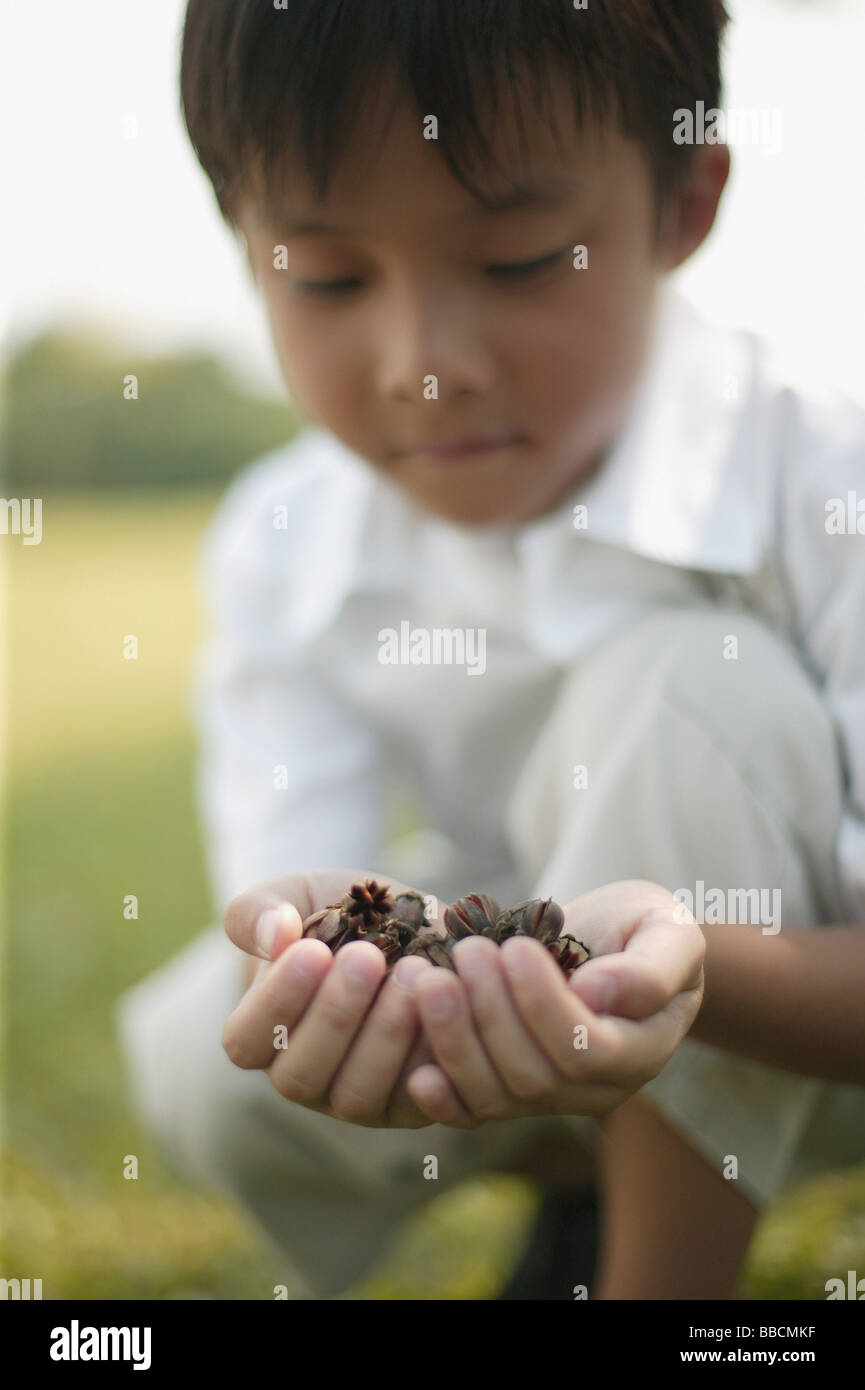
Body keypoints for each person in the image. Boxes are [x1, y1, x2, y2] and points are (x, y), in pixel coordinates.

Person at [116, 0, 865, 1301]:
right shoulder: (283, 540)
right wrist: (328, 963)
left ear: (684, 205)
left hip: (807, 1025)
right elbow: (284, 903)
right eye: (328, 277)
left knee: (685, 680)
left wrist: (673, 962)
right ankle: (593, 1171)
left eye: (520, 260)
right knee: (196, 1053)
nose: (423, 365)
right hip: (492, 1028)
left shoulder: (820, 479)